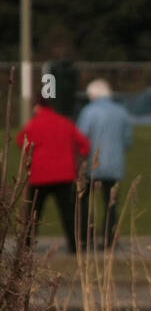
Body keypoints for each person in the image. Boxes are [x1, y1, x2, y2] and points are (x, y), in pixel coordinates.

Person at [16, 96, 91, 254]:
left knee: (34, 214)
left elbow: (21, 142)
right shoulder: (64, 122)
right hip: (64, 175)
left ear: (37, 107)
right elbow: (84, 144)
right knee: (68, 213)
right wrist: (79, 159)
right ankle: (76, 245)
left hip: (40, 176)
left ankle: (27, 247)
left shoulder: (34, 124)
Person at [76, 79, 134, 248]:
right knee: (111, 202)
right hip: (115, 165)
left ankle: (87, 237)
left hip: (91, 166)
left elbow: (81, 137)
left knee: (84, 201)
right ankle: (109, 238)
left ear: (92, 95)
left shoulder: (88, 111)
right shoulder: (122, 112)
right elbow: (127, 140)